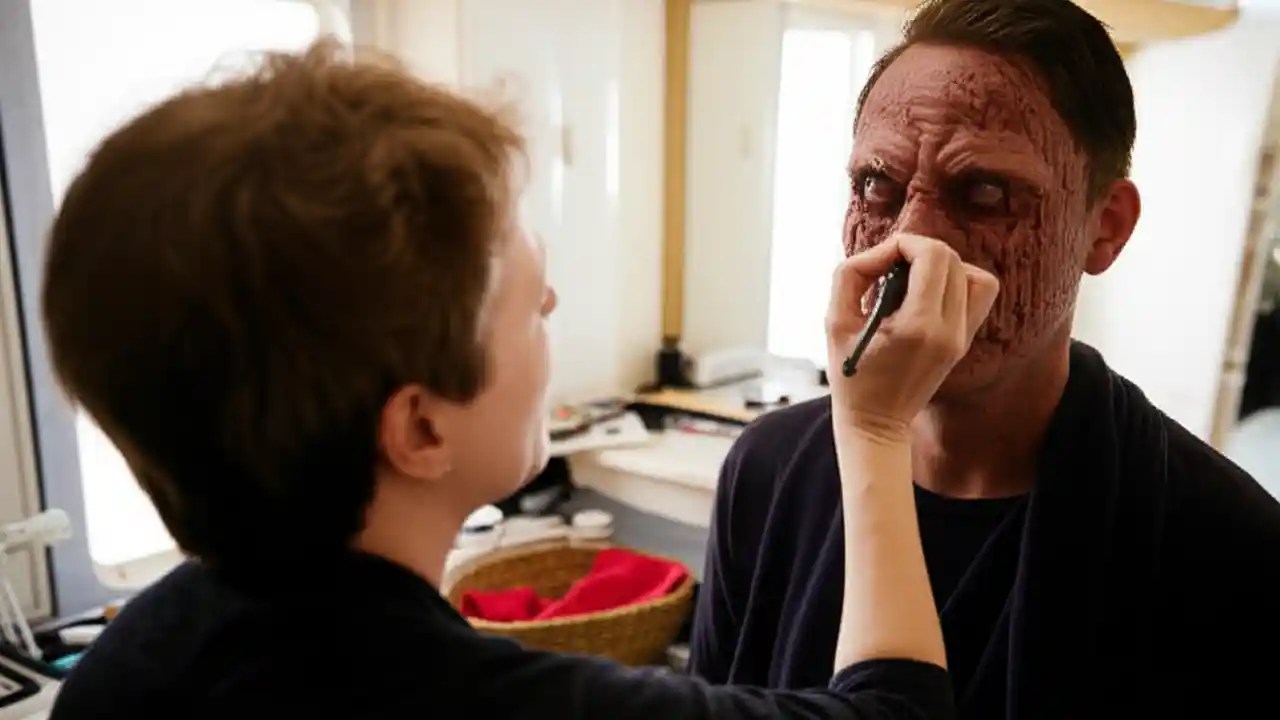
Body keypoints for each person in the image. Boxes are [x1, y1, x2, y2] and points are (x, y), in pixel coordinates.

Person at [42, 41, 1001, 719]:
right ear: (420, 428)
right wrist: (874, 430)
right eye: (525, 303)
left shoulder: (129, 663)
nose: (552, 303)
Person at [689, 1, 1280, 718]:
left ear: (1105, 229)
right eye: (877, 185)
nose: (914, 244)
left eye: (985, 195)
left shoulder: (1227, 545)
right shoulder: (767, 471)